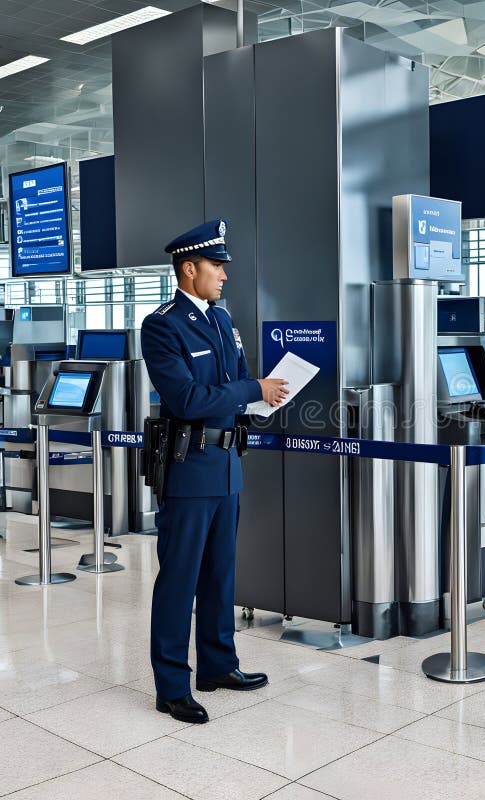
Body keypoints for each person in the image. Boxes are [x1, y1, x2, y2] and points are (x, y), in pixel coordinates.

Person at [141, 219, 289, 724]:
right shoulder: (162, 325)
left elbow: (233, 385)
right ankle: (171, 685)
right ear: (189, 268)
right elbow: (184, 398)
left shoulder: (222, 321)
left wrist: (259, 398)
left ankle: (219, 665)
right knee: (179, 580)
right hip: (188, 468)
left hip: (226, 465)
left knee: (221, 575)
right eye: (216, 266)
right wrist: (253, 390)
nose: (224, 275)